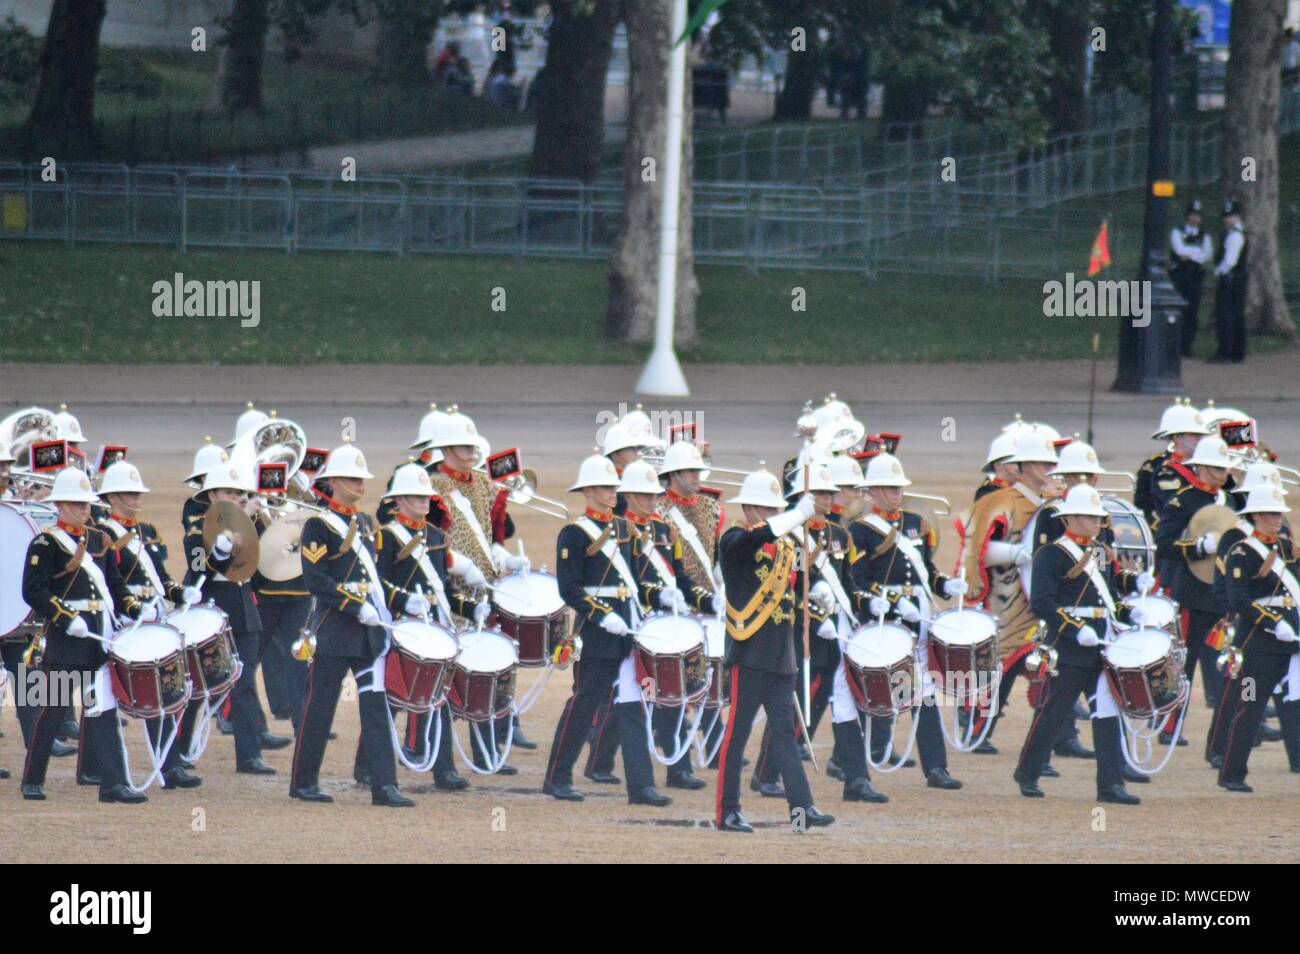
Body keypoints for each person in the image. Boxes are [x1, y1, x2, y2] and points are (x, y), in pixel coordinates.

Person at [542, 453, 672, 806]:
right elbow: (569, 589)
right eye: (603, 487)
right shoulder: (574, 533)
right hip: (597, 632)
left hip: (628, 628)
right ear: (587, 491)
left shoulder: (625, 531)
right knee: (585, 703)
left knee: (632, 706)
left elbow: (638, 583)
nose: (612, 492)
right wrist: (602, 616)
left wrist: (661, 594)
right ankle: (557, 776)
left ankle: (641, 787)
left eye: (614, 486)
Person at [288, 441, 413, 807]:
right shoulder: (318, 525)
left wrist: (402, 601)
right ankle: (303, 782)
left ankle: (384, 785)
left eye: (361, 480)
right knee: (320, 706)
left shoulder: (364, 523)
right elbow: (316, 579)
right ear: (334, 482)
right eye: (353, 479)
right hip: (334, 628)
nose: (360, 486)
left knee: (375, 706)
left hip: (368, 634)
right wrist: (355, 606)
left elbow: (374, 577)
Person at [713, 466, 834, 833]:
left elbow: (798, 587)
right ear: (748, 508)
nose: (769, 515)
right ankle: (727, 812)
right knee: (737, 735)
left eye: (773, 509)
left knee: (785, 735)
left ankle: (802, 809)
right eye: (764, 509)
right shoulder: (734, 541)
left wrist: (818, 590)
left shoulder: (788, 546)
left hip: (782, 654)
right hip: (749, 652)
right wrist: (797, 516)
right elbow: (755, 540)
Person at [19, 468, 147, 803]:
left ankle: (112, 784)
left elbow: (114, 584)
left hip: (97, 638)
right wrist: (64, 617)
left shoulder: (96, 540)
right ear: (60, 505)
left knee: (102, 711)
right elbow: (34, 592)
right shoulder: (45, 543)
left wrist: (134, 608)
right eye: (77, 503)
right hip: (66, 639)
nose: (85, 509)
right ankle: (32, 778)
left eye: (87, 503)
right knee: (53, 711)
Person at [1013, 484, 1143, 805]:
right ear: (1070, 518)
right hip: (1071, 646)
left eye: (1098, 517)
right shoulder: (1051, 553)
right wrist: (1076, 629)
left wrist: (1131, 603)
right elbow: (1043, 603)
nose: (1097, 522)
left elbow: (1108, 593)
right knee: (1054, 711)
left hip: (1102, 641)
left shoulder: (1097, 549)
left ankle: (1110, 785)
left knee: (1108, 711)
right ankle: (1028, 771)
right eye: (1089, 516)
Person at [363, 462, 485, 792]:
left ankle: (443, 769)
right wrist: (403, 603)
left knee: (438, 695)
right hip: (400, 626)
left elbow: (444, 589)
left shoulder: (434, 535)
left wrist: (472, 608)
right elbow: (378, 585)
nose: (424, 502)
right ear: (398, 500)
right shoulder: (385, 537)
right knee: (392, 696)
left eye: (426, 497)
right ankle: (365, 763)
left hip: (435, 626)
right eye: (416, 497)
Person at [421, 406, 533, 767]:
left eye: (472, 447)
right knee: (447, 677)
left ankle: (487, 753)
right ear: (446, 449)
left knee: (486, 671)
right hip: (450, 592)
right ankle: (441, 763)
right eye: (463, 447)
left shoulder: (485, 484)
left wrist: (504, 558)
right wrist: (458, 563)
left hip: (484, 592)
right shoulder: (432, 486)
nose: (472, 453)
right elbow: (425, 543)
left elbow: (488, 536)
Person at [847, 452, 966, 791]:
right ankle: (867, 752)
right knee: (882, 688)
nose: (897, 494)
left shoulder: (915, 522)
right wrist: (890, 601)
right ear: (873, 491)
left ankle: (936, 768)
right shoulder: (861, 530)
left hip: (918, 617)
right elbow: (856, 578)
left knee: (925, 692)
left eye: (899, 487)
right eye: (889, 488)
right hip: (887, 619)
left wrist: (945, 585)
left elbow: (925, 570)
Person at [956, 424, 1064, 752]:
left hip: (1045, 599)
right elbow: (975, 549)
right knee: (1000, 670)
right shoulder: (1000, 500)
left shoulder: (1056, 504)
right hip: (1008, 599)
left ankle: (1054, 742)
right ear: (1026, 466)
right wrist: (1018, 553)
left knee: (1053, 669)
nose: (1049, 470)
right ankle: (978, 727)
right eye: (1043, 464)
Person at [96, 461, 203, 790]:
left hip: (152, 617)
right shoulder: (104, 535)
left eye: (137, 492)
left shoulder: (144, 532)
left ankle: (169, 765)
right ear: (112, 497)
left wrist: (179, 591)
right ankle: (95, 767)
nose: (136, 499)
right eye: (129, 493)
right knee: (107, 699)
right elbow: (106, 582)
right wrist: (127, 608)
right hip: (125, 620)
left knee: (163, 693)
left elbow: (159, 578)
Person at [184, 464, 286, 776]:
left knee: (243, 685)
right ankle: (178, 751)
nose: (238, 498)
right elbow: (201, 567)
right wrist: (231, 535)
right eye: (230, 492)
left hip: (244, 611)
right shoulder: (198, 529)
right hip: (212, 610)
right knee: (197, 687)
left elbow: (257, 574)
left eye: (241, 493)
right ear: (212, 494)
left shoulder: (248, 524)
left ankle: (249, 754)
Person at [749, 460, 842, 797]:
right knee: (791, 703)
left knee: (818, 698)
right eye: (819, 492)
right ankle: (766, 772)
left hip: (830, 630)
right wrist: (817, 610)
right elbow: (791, 585)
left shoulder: (836, 533)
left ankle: (790, 761)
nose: (828, 498)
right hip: (797, 630)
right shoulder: (790, 535)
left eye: (830, 492)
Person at [620, 459, 711, 790]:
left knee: (675, 693)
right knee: (643, 696)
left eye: (653, 495)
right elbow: (629, 579)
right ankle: (601, 758)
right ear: (628, 495)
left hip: (667, 623)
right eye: (643, 496)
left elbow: (681, 577)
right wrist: (658, 596)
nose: (650, 501)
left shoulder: (663, 529)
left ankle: (678, 768)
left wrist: (704, 600)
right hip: (637, 623)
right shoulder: (620, 530)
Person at [1209, 486, 1299, 791]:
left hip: (1292, 641)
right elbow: (1238, 601)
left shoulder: (1288, 549)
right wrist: (1274, 622)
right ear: (1257, 515)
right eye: (1272, 513)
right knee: (1249, 707)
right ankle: (1232, 774)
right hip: (1257, 645)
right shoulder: (1242, 552)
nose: (1277, 519)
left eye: (1279, 513)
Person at [1153, 436, 1237, 744]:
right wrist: (1197, 547)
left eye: (1224, 467)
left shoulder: (1229, 501)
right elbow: (1163, 544)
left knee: (1231, 661)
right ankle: (1170, 724)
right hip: (1192, 593)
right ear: (1200, 466)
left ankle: (1235, 724)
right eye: (1215, 467)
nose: (1222, 472)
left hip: (1223, 592)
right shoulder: (1182, 500)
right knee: (1183, 662)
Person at [1135, 399, 1210, 528]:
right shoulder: (1160, 467)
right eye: (1193, 434)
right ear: (1177, 437)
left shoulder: (1209, 465)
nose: (1199, 439)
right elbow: (1172, 504)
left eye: (1201, 434)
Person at [1169, 200, 1213, 357]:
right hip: (1179, 275)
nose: (1195, 219)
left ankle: (1187, 347)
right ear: (1187, 216)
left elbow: (1207, 254)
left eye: (1198, 216)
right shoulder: (1177, 231)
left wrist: (1190, 254)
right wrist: (1196, 251)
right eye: (1193, 215)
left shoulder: (1204, 235)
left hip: (1195, 276)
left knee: (1191, 312)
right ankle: (1173, 346)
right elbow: (1179, 251)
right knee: (1176, 309)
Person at [1211, 200, 1249, 364]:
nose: (1227, 220)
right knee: (1235, 314)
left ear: (1238, 217)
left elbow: (1230, 261)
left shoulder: (1234, 235)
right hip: (1238, 279)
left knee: (1226, 315)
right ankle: (1236, 351)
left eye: (1230, 216)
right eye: (1226, 216)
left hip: (1231, 279)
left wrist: (1219, 271)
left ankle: (1226, 352)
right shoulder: (1236, 233)